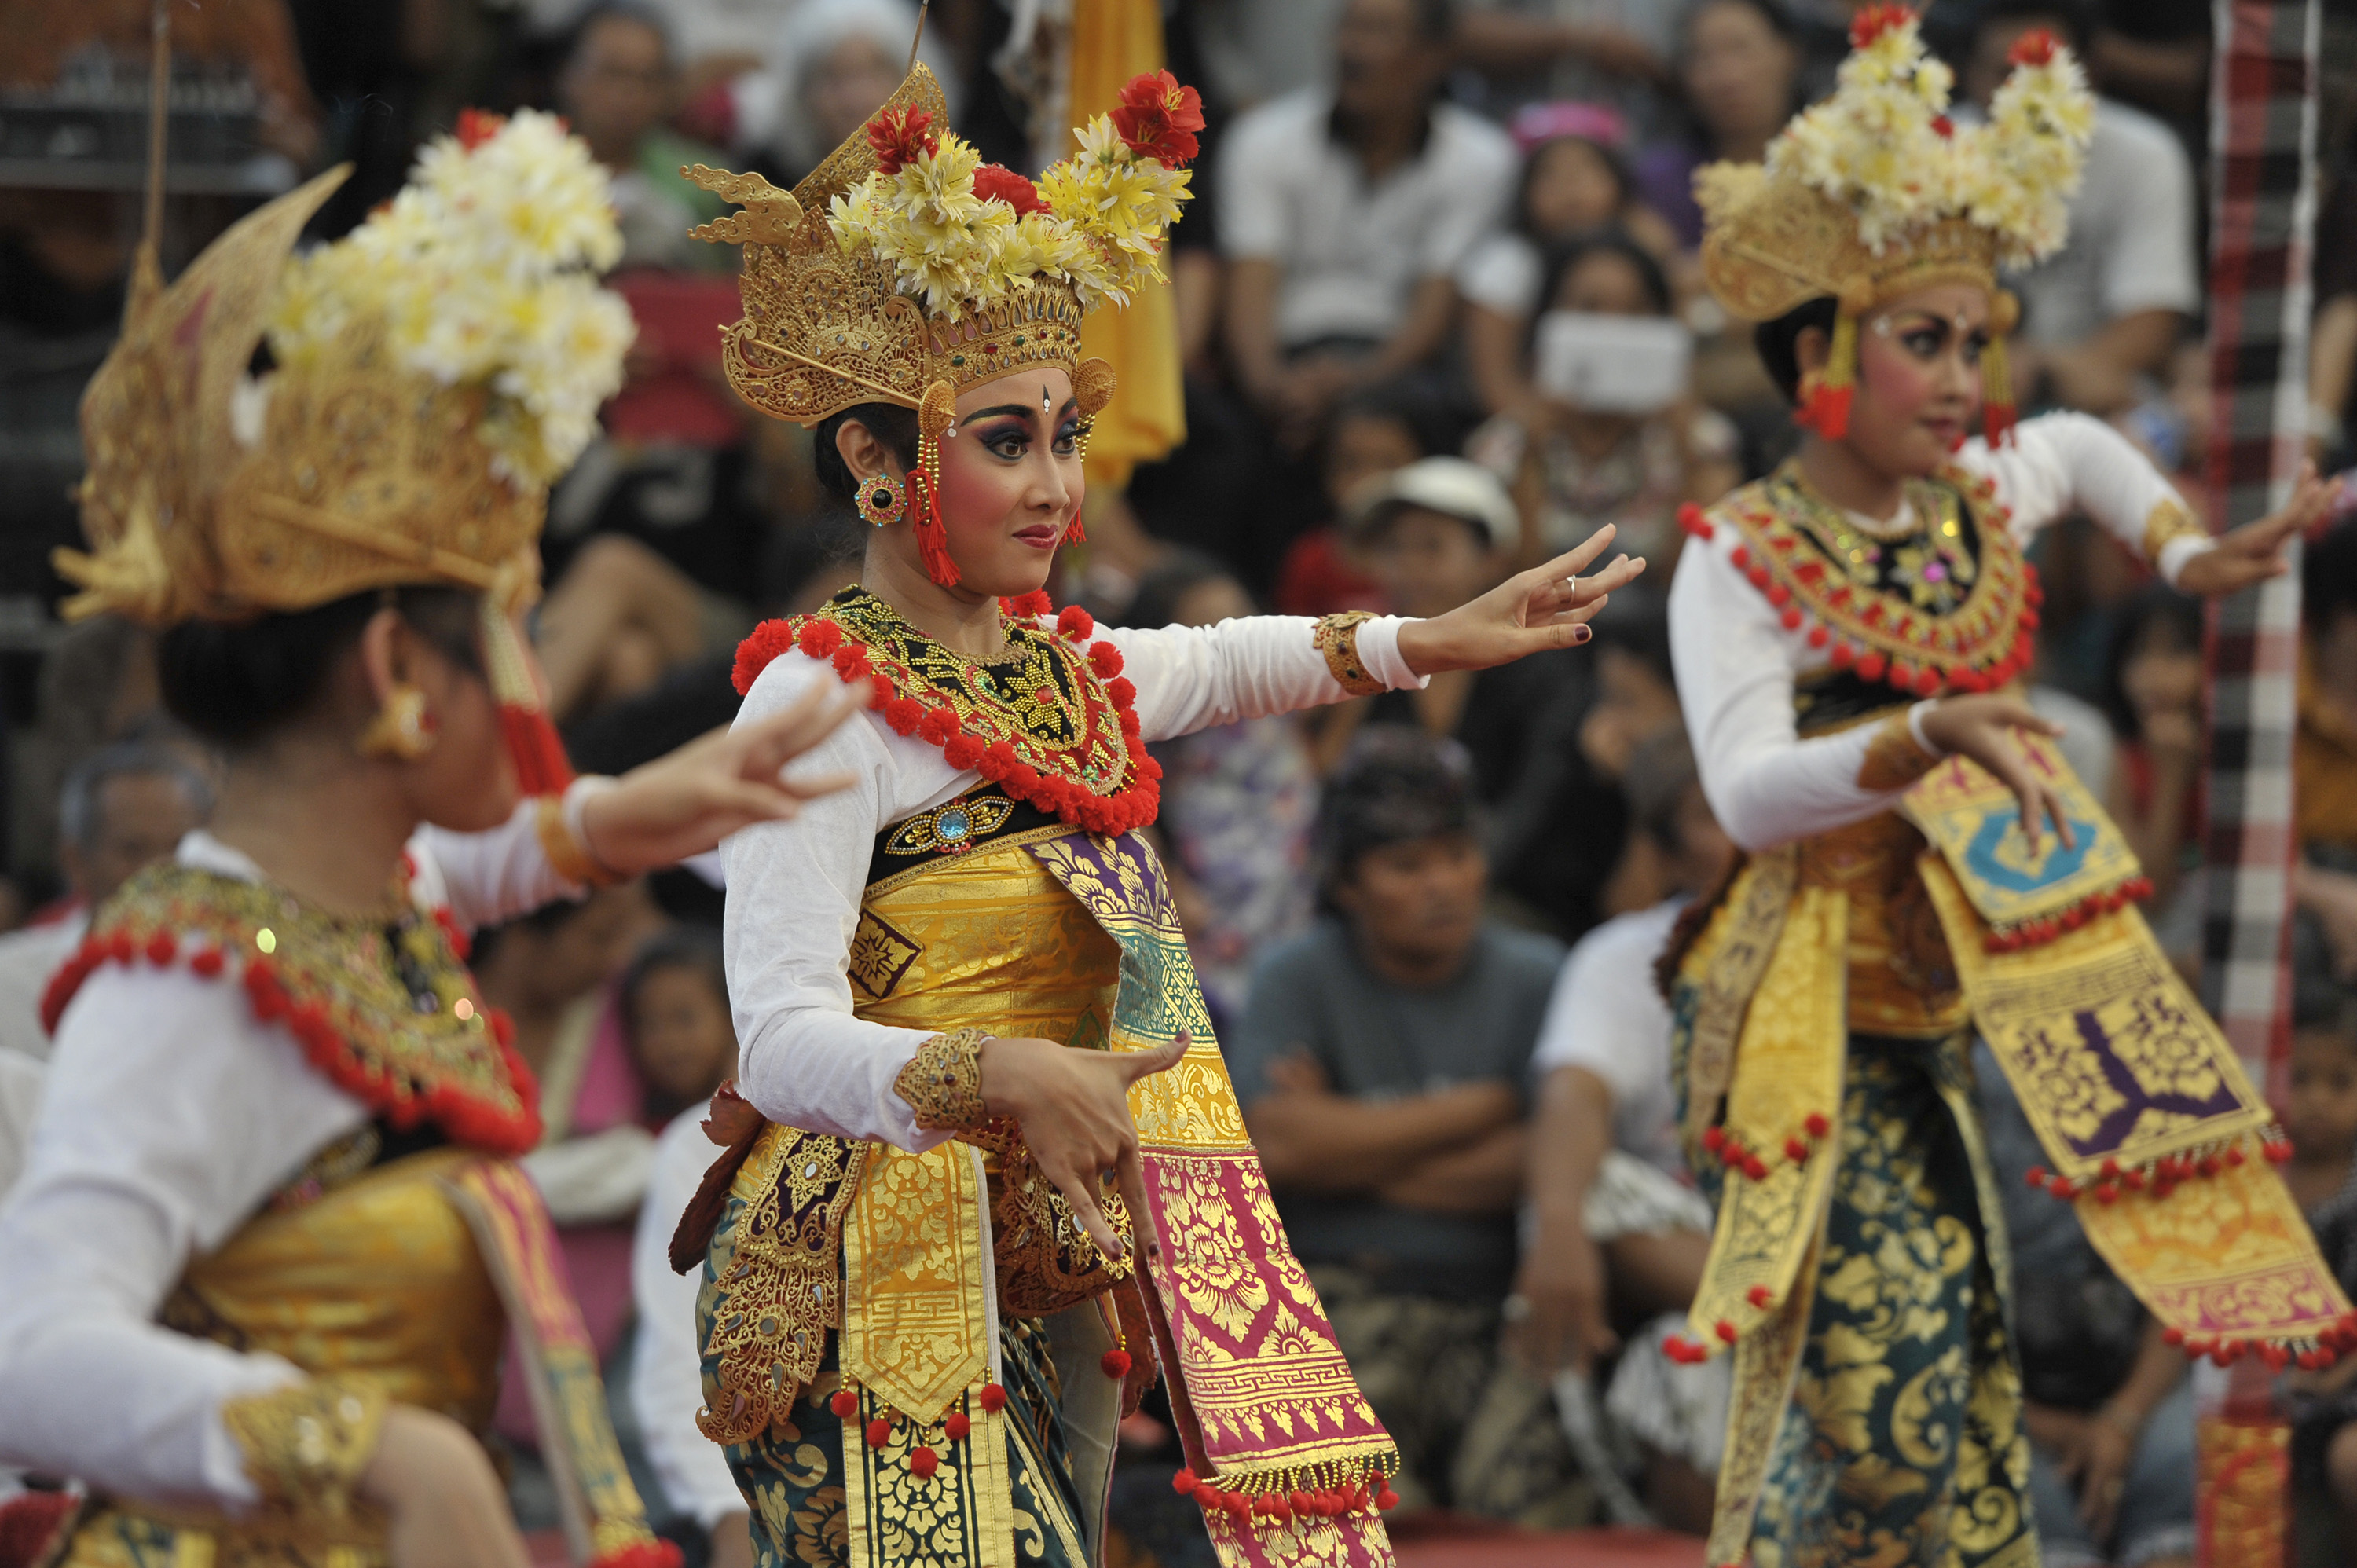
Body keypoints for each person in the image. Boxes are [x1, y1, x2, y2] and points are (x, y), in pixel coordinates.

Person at [670, 63, 1645, 1566]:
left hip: (1046, 1251)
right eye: (1008, 439)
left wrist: (1424, 640)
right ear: (874, 460)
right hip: (876, 1261)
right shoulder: (816, 709)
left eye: (1067, 434)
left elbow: (1228, 659)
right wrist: (998, 1068)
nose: (1060, 483)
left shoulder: (1072, 668)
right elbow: (779, 1044)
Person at [0, 112, 860, 1568]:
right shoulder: (192, 982)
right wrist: (368, 1450)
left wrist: (630, 811)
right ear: (400, 668)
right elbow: (27, 1345)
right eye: (507, 637)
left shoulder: (354, 905)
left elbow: (482, 862)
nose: (534, 682)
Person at [1662, 15, 2338, 1565]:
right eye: (1927, 341)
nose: (1969, 381)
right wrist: (1918, 740)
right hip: (1801, 1015)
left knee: (1948, 1370)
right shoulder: (1741, 553)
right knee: (1891, 1377)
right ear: (1819, 354)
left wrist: (2186, 547)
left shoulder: (1975, 497)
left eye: (1980, 340)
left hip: (1954, 998)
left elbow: (2091, 444)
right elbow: (1751, 796)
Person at [1230, 730, 1584, 1524]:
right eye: (1407, 866)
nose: (1444, 885)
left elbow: (1550, 1161)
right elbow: (1281, 1147)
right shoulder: (1299, 974)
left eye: (1458, 856)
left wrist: (1350, 1141)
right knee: (1352, 1511)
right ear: (1348, 885)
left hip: (1501, 1302)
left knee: (1529, 1510)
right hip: (1344, 1294)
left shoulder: (1540, 974)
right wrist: (1482, 1108)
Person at [1511, 729, 1729, 1530]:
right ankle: (1785, 1315)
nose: (1748, 822)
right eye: (1712, 811)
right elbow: (1573, 1094)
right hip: (1698, 1250)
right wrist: (1560, 1228)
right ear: (1671, 850)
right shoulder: (1625, 957)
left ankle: (1802, 1312)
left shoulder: (1854, 954)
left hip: (1834, 1238)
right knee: (1579, 1178)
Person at [1219, 0, 1518, 449]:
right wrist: (1270, 389)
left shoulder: (1480, 158)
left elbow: (1434, 307)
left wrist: (1355, 384)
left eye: (1379, 32)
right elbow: (1252, 279)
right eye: (1348, 28)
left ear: (1433, 57)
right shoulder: (1263, 138)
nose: (1353, 49)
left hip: (1399, 367)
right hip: (1282, 358)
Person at [1960, 0, 2198, 416]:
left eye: (2042, 78)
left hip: (2092, 395)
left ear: (2090, 74)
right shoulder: (1934, 152)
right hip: (1958, 386)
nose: (2023, 99)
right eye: (2004, 75)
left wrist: (2041, 371)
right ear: (1971, 76)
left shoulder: (2145, 153)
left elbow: (2150, 324)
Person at [1121, 555, 1318, 1028]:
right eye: (1207, 632)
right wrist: (1166, 883)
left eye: (1241, 621)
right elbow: (1126, 804)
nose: (1230, 645)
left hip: (1290, 908)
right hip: (1199, 925)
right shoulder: (1146, 726)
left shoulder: (1280, 700)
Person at [1467, 232, 1740, 567]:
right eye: (1589, 307)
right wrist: (1530, 454)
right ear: (1548, 321)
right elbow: (1508, 583)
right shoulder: (1504, 445)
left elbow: (1694, 583)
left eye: (1635, 309)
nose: (1613, 327)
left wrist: (1684, 451)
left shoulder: (1703, 443)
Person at [623, 927, 755, 1568]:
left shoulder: (851, 1117)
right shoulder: (687, 1148)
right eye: (651, 1024)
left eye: (684, 1017)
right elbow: (679, 1345)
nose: (668, 1041)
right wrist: (722, 1506)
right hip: (755, 1487)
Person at [1459, 105, 1683, 416]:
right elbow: (1496, 382)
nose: (1570, 188)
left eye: (1587, 170)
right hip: (1540, 422)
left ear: (1618, 181)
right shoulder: (1508, 264)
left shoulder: (1643, 247)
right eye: (1550, 175)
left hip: (1640, 419)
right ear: (1525, 191)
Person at [0, 738, 212, 1062]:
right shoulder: (9, 984)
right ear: (76, 862)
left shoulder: (241, 982)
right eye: (133, 849)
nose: (160, 871)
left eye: (178, 847)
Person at [557, 2, 734, 273]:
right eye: (612, 73)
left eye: (646, 79)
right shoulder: (528, 166)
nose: (627, 94)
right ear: (569, 76)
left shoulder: (703, 182)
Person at [2280, 984, 2357, 1559]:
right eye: (2298, 1079)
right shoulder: (2257, 1187)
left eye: (2340, 1085)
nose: (2316, 1101)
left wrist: (2331, 1380)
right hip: (2269, 1372)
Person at [1630, 0, 1804, 251]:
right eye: (1703, 57)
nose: (1726, 77)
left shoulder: (1839, 165)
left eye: (1741, 49)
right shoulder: (1658, 184)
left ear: (1787, 54)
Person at [2099, 586, 2205, 910]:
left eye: (2175, 652)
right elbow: (2147, 897)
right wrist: (2170, 778)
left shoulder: (2236, 747)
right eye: (2138, 654)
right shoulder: (2119, 757)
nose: (2153, 673)